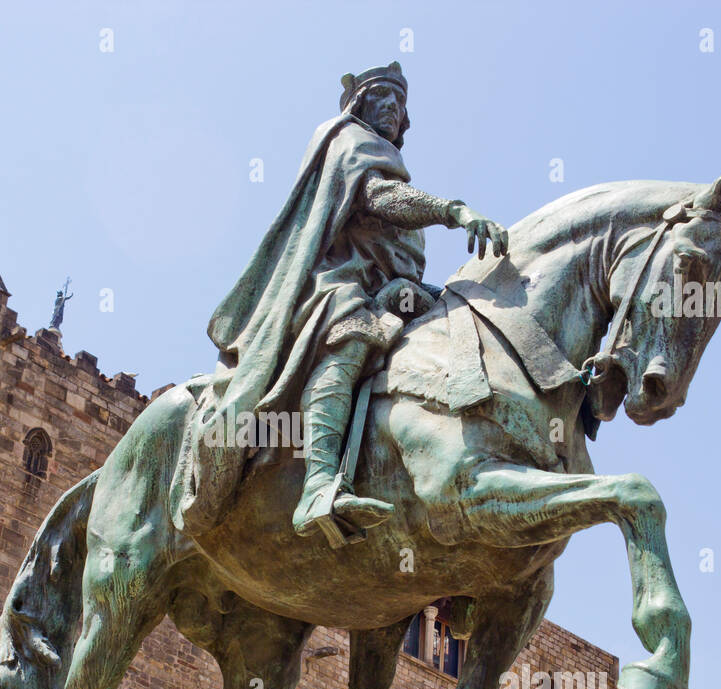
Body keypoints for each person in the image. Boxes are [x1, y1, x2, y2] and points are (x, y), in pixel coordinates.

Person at [201, 62, 508, 544]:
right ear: (361, 103)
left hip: (384, 289)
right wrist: (453, 210)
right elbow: (380, 197)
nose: (393, 109)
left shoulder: (385, 156)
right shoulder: (349, 143)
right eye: (383, 98)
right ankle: (319, 485)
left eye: (400, 103)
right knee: (352, 335)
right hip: (337, 283)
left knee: (453, 316)